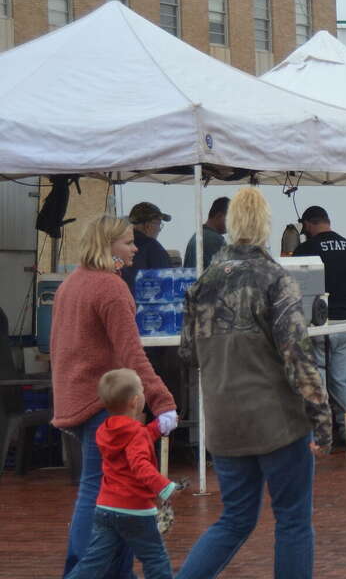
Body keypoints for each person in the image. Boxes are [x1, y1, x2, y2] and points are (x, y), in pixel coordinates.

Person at [177, 187, 332, 579]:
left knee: (234, 520)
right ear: (265, 225)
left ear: (229, 225)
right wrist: (321, 416)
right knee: (293, 521)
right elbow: (298, 356)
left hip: (224, 422)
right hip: (276, 422)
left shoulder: (203, 284)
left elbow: (188, 354)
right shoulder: (275, 279)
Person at [52, 214, 177, 579]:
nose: (135, 246)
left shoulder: (72, 283)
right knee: (99, 492)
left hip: (77, 399)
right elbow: (131, 353)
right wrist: (163, 400)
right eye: (127, 241)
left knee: (115, 494)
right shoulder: (110, 287)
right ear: (108, 246)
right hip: (103, 402)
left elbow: (60, 346)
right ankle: (79, 570)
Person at [65, 370, 179, 579]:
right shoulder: (138, 434)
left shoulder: (103, 431)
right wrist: (164, 487)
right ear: (136, 401)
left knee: (95, 560)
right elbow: (139, 463)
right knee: (155, 558)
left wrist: (157, 427)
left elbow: (133, 438)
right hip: (135, 510)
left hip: (105, 508)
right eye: (142, 390)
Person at [294, 205, 346, 442]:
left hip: (321, 324)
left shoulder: (307, 248)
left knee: (319, 377)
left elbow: (293, 287)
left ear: (308, 224)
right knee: (345, 378)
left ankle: (322, 434)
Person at [119, 202, 172, 295]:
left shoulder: (118, 245)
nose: (159, 229)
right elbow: (167, 283)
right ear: (147, 226)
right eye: (159, 224)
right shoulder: (154, 248)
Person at [183, 197, 229, 270]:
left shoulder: (198, 235)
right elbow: (226, 273)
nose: (232, 223)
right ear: (219, 216)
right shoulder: (215, 240)